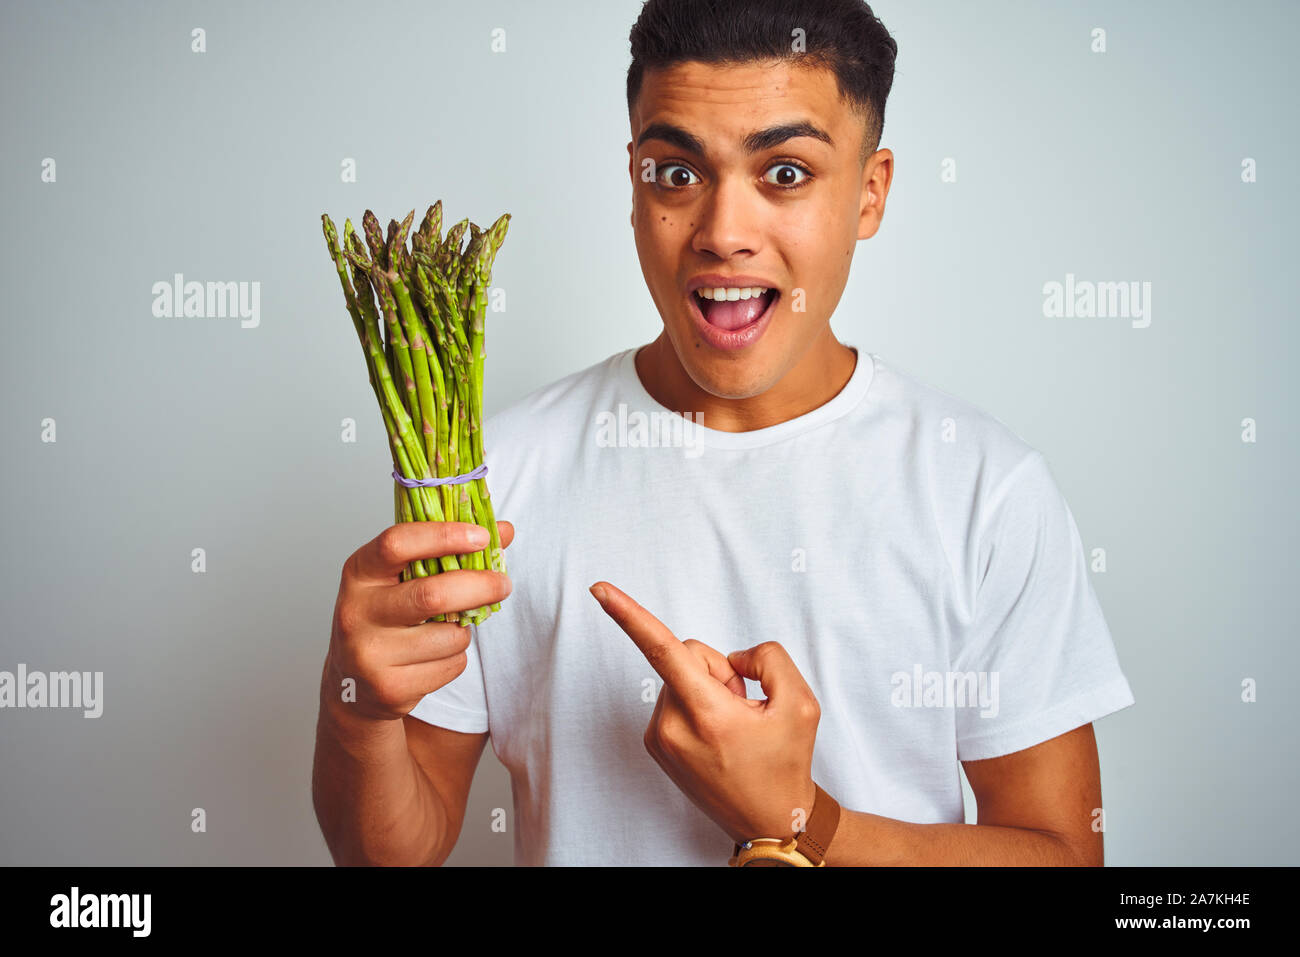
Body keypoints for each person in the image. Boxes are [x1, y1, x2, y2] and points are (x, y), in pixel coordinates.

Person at [312, 0, 1135, 866]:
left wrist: (802, 817)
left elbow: (1065, 858)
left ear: (870, 192)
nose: (723, 234)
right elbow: (393, 855)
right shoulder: (494, 475)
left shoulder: (983, 489)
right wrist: (355, 713)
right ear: (633, 184)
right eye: (677, 173)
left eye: (785, 173)